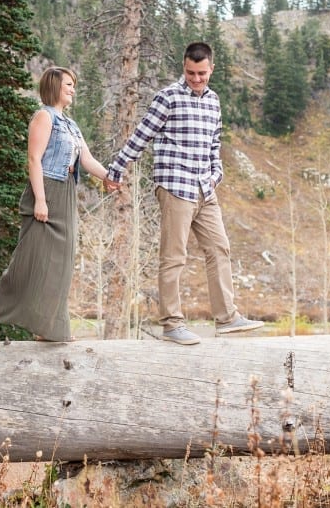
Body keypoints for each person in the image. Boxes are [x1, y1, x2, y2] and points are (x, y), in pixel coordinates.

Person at [105, 42, 263, 345]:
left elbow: (215, 143)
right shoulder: (168, 98)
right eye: (191, 72)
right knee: (174, 256)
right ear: (183, 66)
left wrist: (217, 173)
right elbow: (141, 136)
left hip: (205, 187)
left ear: (211, 68)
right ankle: (172, 324)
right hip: (176, 186)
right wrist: (117, 169)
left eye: (202, 73)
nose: (196, 78)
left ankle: (227, 318)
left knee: (219, 248)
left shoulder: (214, 101)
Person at [0, 66, 113, 348]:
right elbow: (34, 159)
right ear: (53, 86)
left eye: (74, 85)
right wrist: (40, 199)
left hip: (66, 192)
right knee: (28, 260)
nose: (73, 89)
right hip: (47, 190)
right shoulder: (43, 116)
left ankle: (49, 326)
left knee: (60, 264)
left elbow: (86, 159)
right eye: (68, 85)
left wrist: (110, 177)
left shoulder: (71, 125)